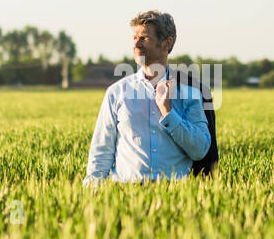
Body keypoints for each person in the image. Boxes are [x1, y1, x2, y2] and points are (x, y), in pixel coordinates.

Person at [83, 10, 211, 185]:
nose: (137, 44)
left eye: (144, 38)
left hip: (175, 199)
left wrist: (168, 112)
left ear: (166, 44)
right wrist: (92, 194)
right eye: (135, 38)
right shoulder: (116, 93)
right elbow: (101, 152)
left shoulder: (190, 94)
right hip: (125, 197)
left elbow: (200, 150)